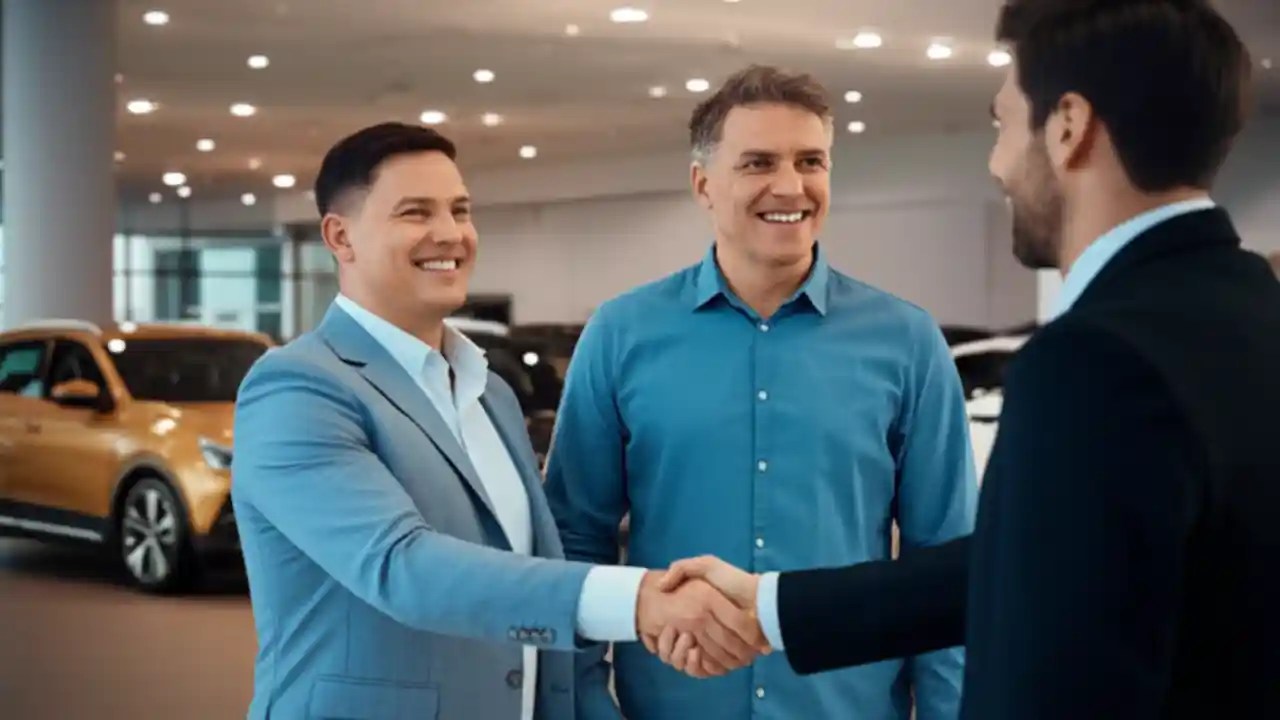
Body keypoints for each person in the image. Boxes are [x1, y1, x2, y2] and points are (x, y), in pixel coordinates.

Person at [657, 0, 1280, 717]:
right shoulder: (1251, 313)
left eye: (1003, 123)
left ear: (1068, 127)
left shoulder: (1095, 361)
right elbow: (1046, 562)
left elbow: (1051, 679)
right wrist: (774, 605)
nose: (998, 163)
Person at [230, 122, 766, 720]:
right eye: (415, 212)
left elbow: (537, 586)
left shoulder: (491, 393)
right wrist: (640, 600)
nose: (450, 234)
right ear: (340, 236)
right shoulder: (299, 388)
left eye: (460, 210)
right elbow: (402, 567)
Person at [543, 65, 978, 720]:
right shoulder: (621, 334)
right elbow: (575, 544)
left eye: (811, 161)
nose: (791, 186)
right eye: (758, 163)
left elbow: (947, 559)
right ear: (704, 186)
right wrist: (584, 706)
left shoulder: (907, 341)